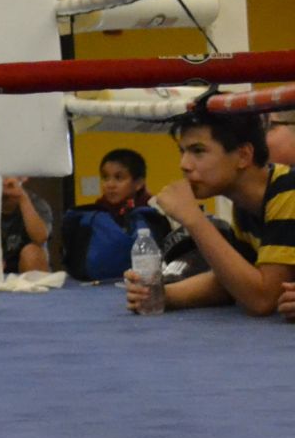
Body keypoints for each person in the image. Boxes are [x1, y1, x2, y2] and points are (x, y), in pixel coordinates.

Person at [126, 113, 295, 317]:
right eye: (183, 151)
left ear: (243, 156)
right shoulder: (246, 206)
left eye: (198, 151)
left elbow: (261, 300)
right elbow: (234, 282)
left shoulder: (288, 192)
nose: (184, 165)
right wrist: (161, 295)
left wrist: (194, 219)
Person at [63, 148, 169, 281]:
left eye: (119, 178)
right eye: (105, 178)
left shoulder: (153, 212)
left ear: (138, 183)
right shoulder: (95, 215)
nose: (110, 185)